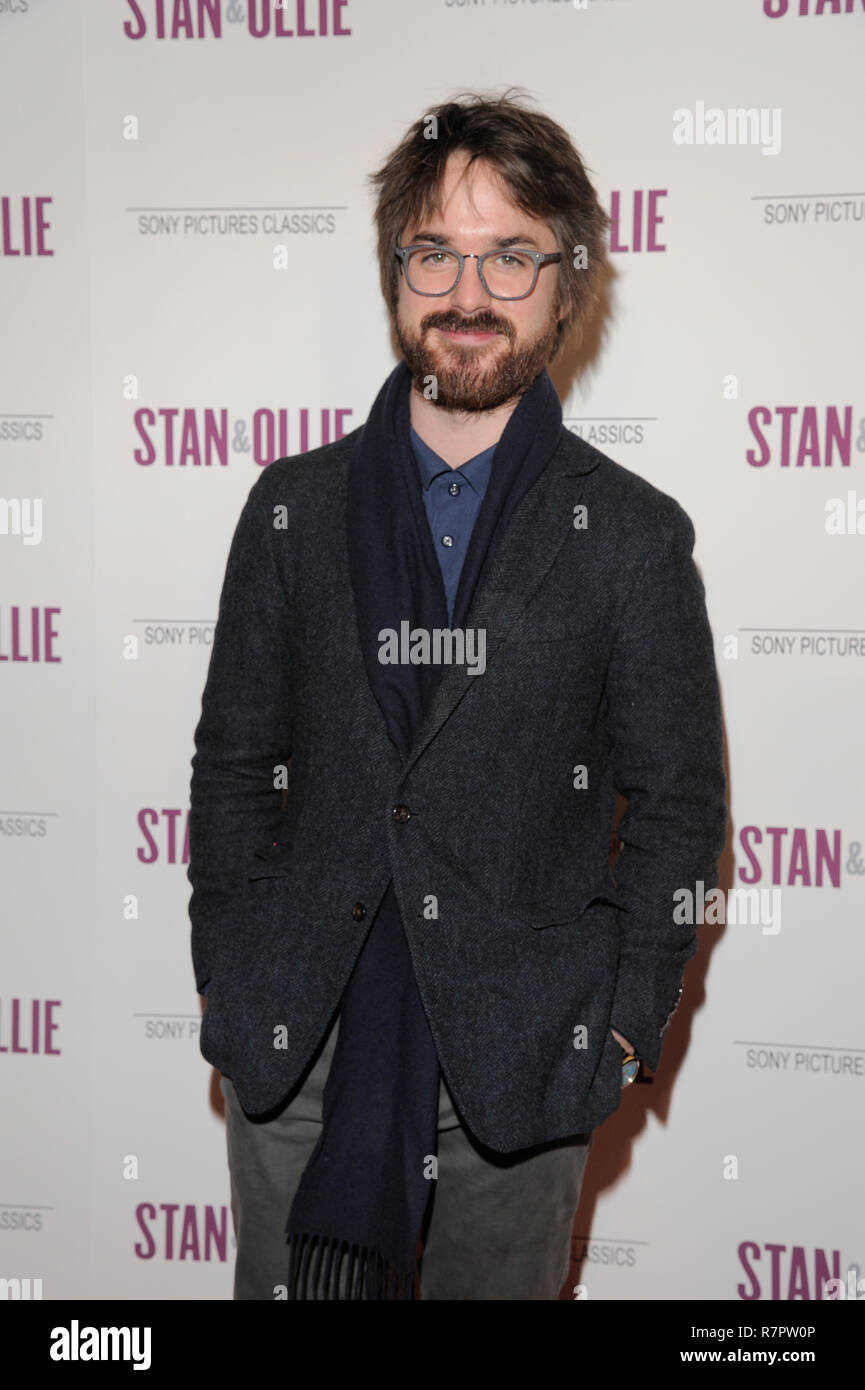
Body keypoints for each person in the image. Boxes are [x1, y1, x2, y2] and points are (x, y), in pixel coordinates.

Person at [187, 90, 727, 1302]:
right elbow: (232, 764)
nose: (468, 294)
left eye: (510, 256)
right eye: (436, 251)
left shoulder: (629, 538)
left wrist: (627, 1019)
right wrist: (225, 968)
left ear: (563, 285)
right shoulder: (292, 509)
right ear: (396, 271)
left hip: (523, 1054)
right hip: (300, 1036)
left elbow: (678, 810)